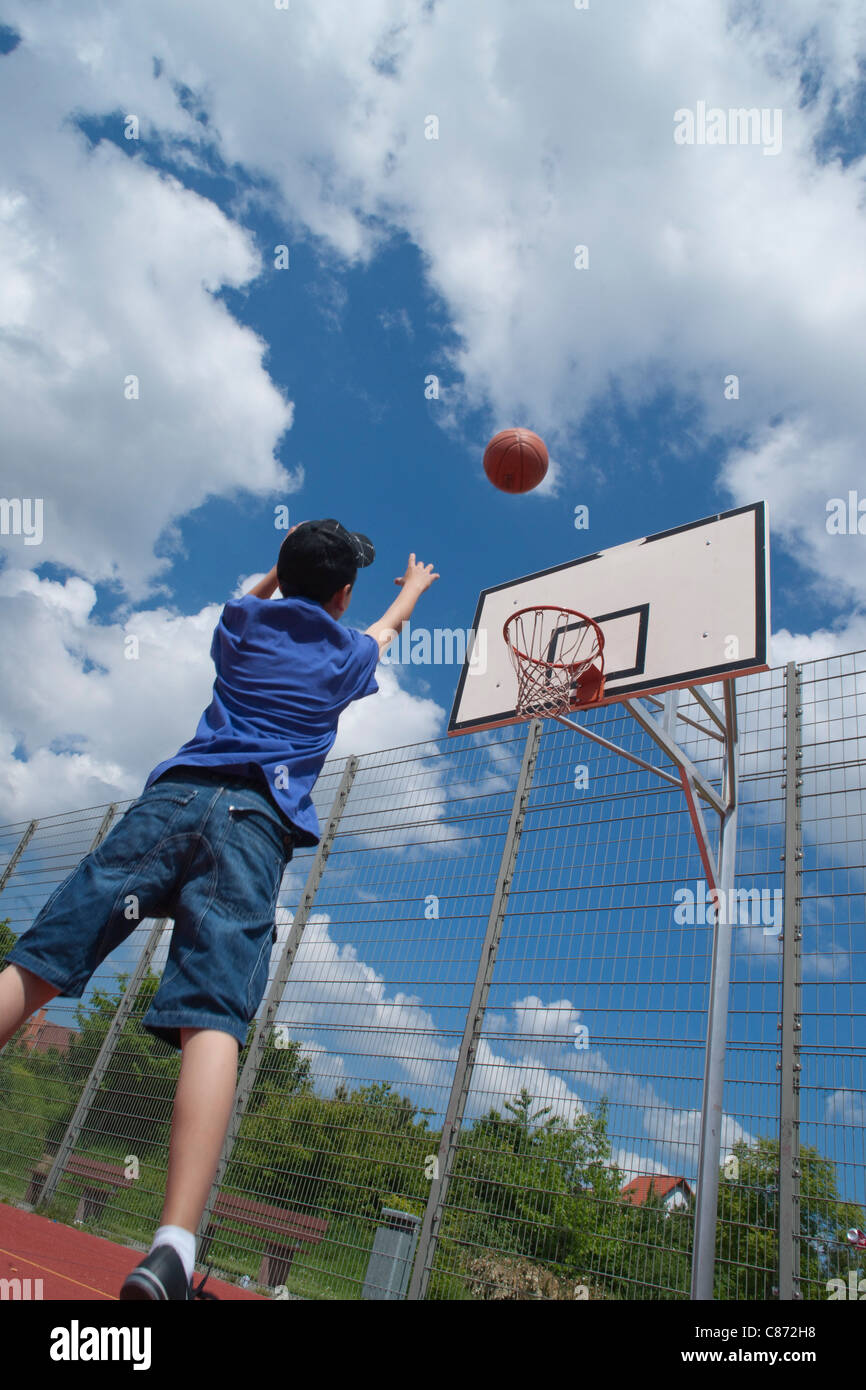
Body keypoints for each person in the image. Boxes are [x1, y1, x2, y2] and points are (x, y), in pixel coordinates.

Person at [0, 519, 439, 1299]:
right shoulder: (346, 654)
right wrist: (410, 588)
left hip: (171, 801)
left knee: (40, 960)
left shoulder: (241, 623)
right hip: (254, 826)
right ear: (342, 594)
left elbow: (247, 595)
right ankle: (170, 1246)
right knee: (213, 1018)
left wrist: (276, 572)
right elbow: (386, 627)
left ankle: (171, 1241)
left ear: (279, 572)